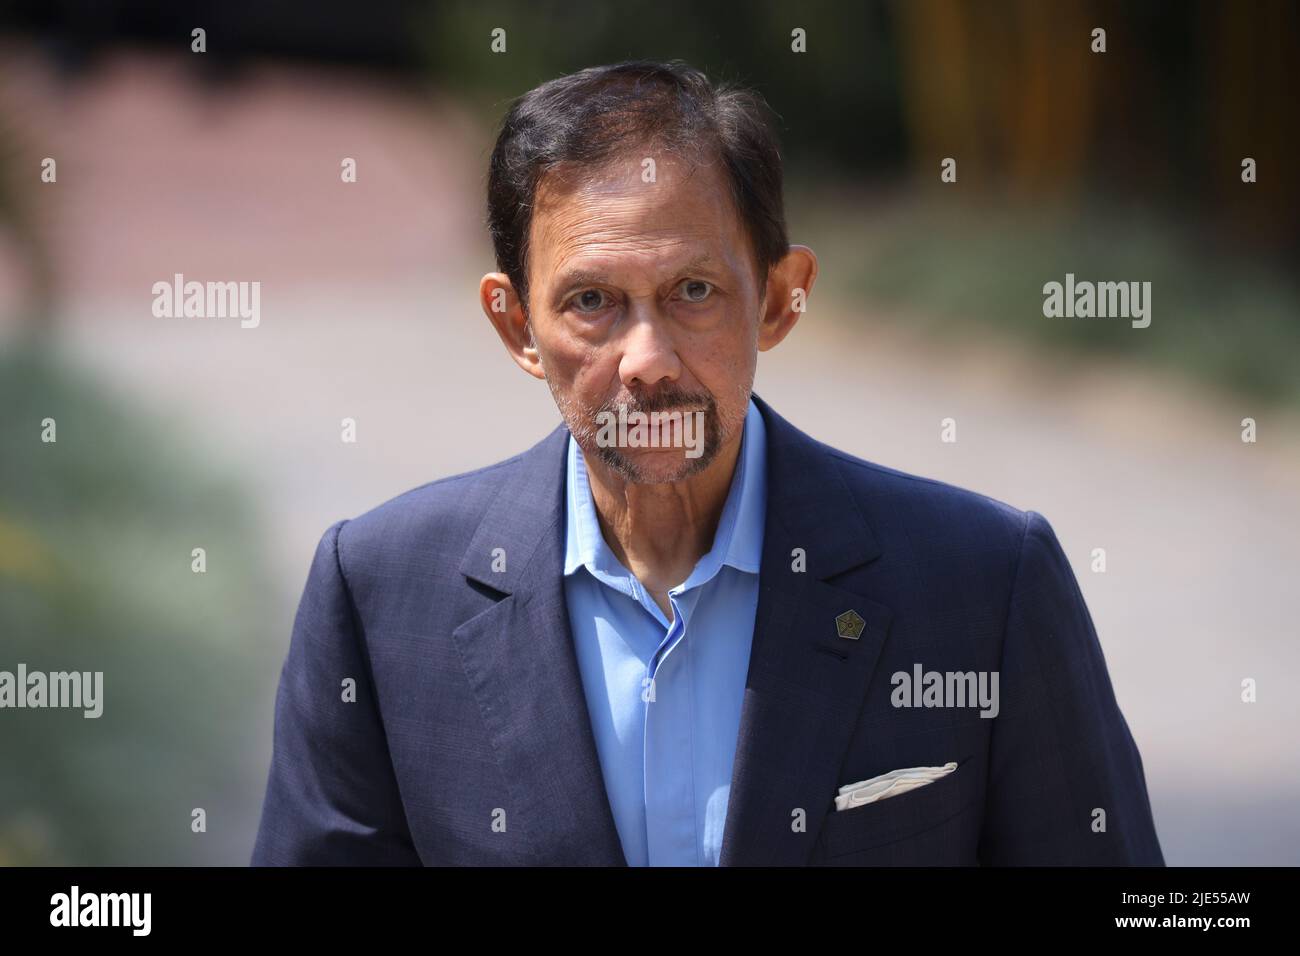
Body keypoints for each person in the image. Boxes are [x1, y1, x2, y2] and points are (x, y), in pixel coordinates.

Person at [251, 59, 1163, 866]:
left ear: (778, 299)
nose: (645, 358)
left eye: (693, 291)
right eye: (592, 300)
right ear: (516, 325)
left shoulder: (980, 585)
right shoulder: (379, 596)